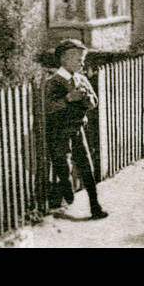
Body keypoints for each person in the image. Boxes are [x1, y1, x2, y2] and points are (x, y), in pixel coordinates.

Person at [44, 39, 107, 219]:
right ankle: (66, 190)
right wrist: (68, 99)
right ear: (64, 59)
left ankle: (95, 206)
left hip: (78, 129)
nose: (82, 63)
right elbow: (49, 107)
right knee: (63, 166)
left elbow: (94, 102)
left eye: (83, 59)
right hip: (59, 132)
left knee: (86, 167)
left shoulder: (81, 79)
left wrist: (87, 99)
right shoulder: (54, 81)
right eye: (78, 59)